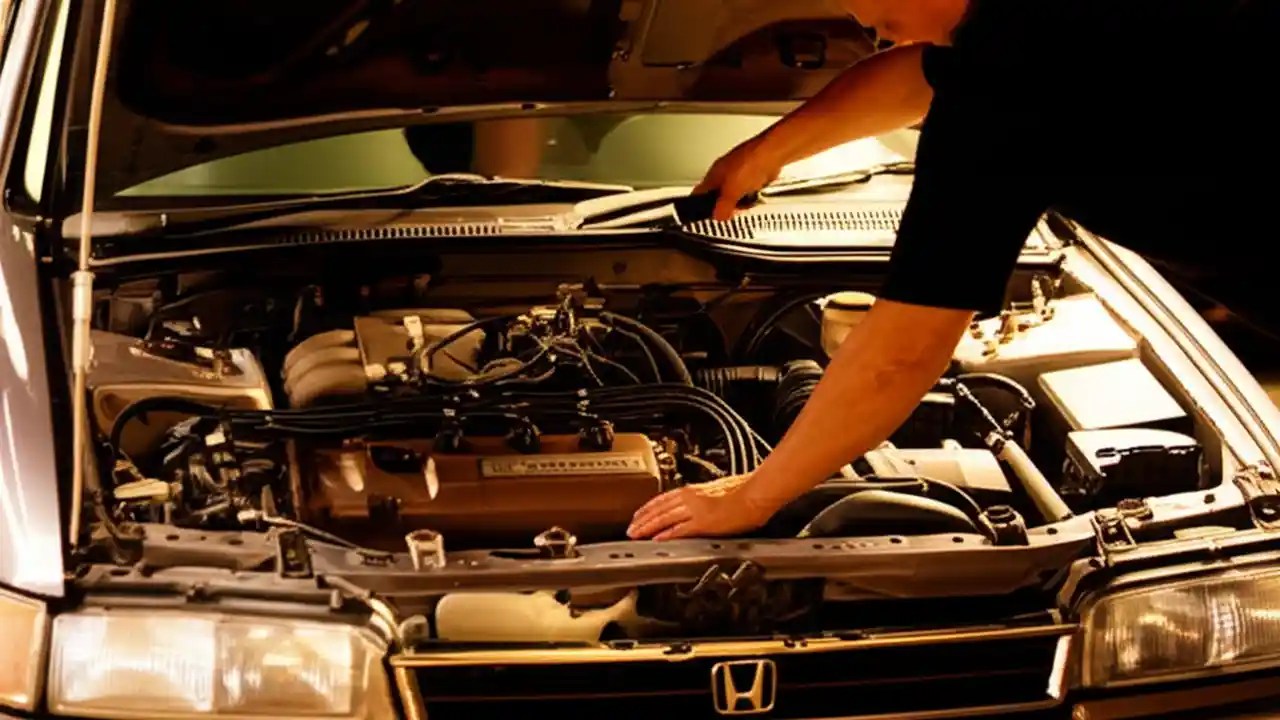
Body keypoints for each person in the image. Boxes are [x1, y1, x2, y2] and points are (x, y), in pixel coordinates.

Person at [626, 0, 1278, 541]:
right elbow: (920, 74)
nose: (854, 17)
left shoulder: (1007, 85)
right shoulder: (1029, 30)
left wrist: (753, 496)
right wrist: (765, 154)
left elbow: (901, 354)